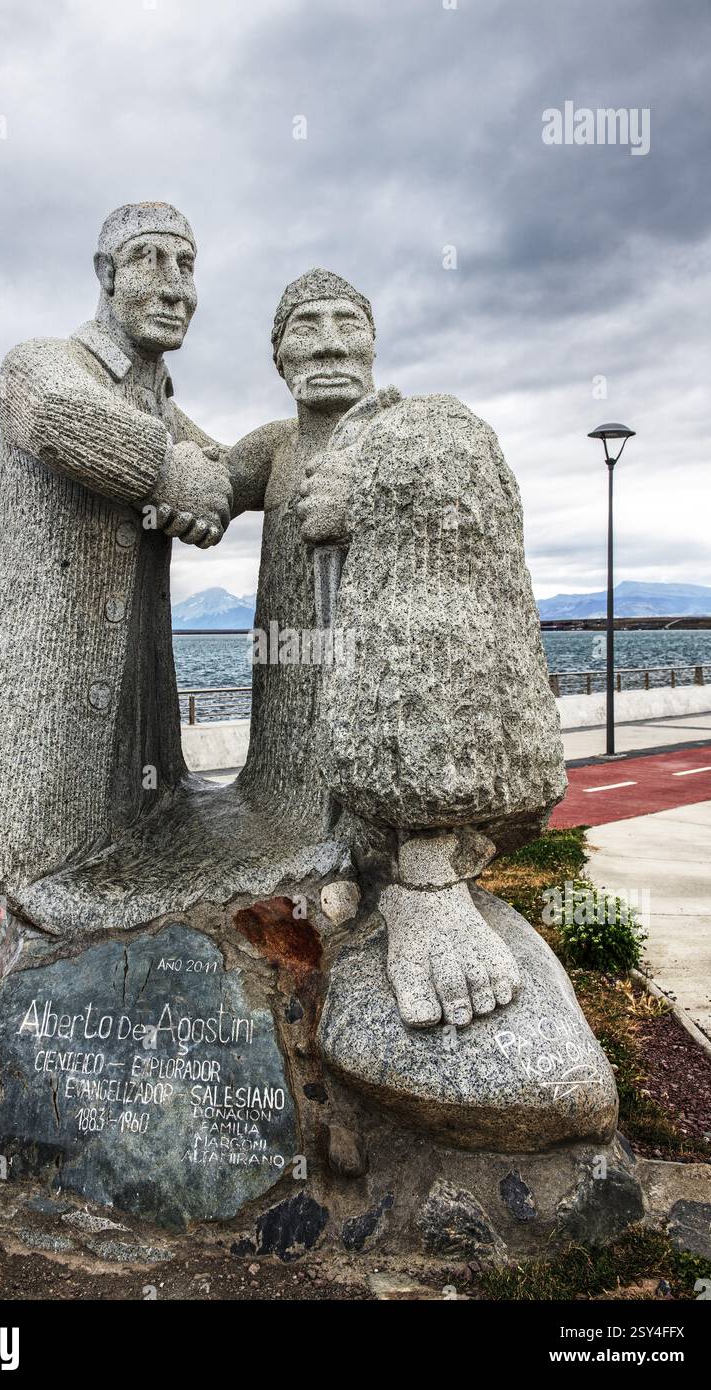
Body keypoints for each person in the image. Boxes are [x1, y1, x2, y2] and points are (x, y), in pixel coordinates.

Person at [228, 269, 567, 1028]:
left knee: (443, 438)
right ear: (278, 354)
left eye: (347, 322)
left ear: (374, 343)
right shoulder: (274, 448)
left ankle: (425, 867)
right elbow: (207, 485)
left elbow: (463, 511)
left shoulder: (407, 429)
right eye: (304, 326)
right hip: (284, 742)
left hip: (377, 729)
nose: (329, 342)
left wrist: (369, 493)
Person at [0, 202, 232, 900]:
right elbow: (55, 413)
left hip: (137, 757)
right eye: (151, 259)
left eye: (188, 266)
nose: (175, 287)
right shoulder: (41, 362)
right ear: (106, 274)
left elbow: (227, 469)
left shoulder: (161, 403)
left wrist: (321, 438)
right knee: (46, 886)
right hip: (42, 742)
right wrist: (173, 475)